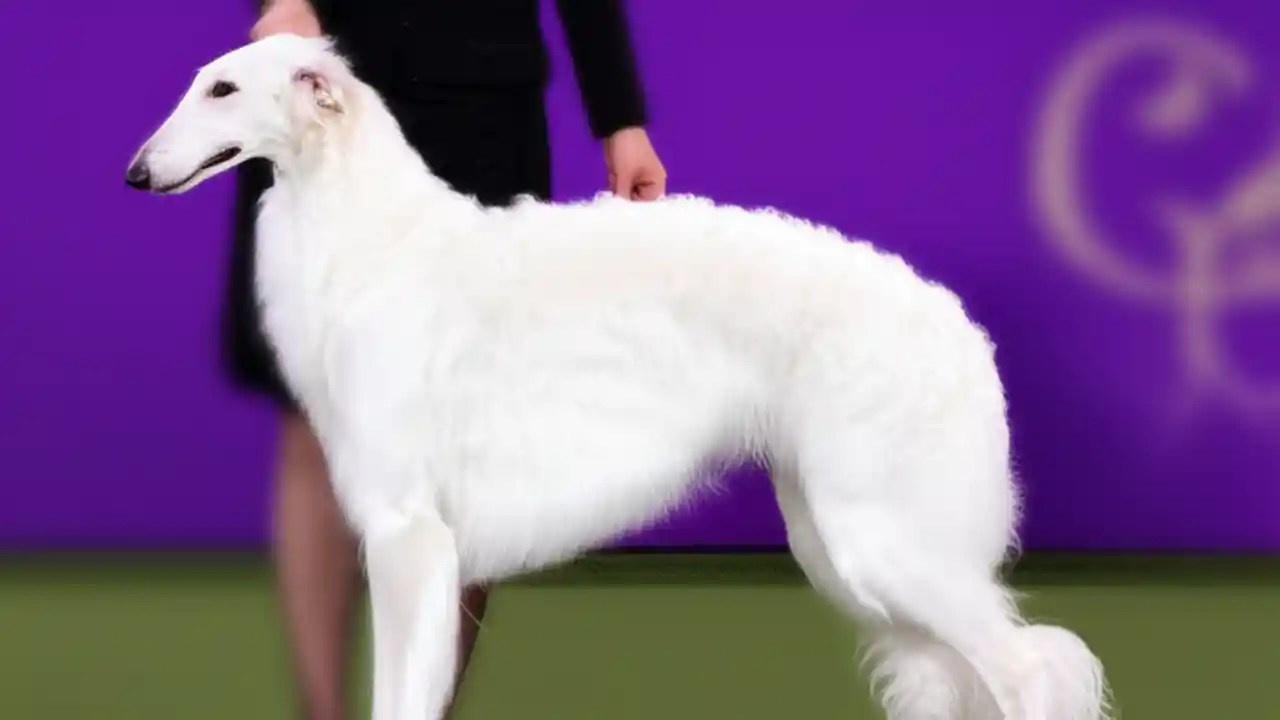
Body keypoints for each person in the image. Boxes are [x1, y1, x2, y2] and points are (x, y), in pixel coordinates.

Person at [221, 1, 666, 718]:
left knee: (465, 437)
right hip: (319, 84)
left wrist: (621, 120)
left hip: (481, 108)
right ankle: (323, 712)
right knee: (314, 421)